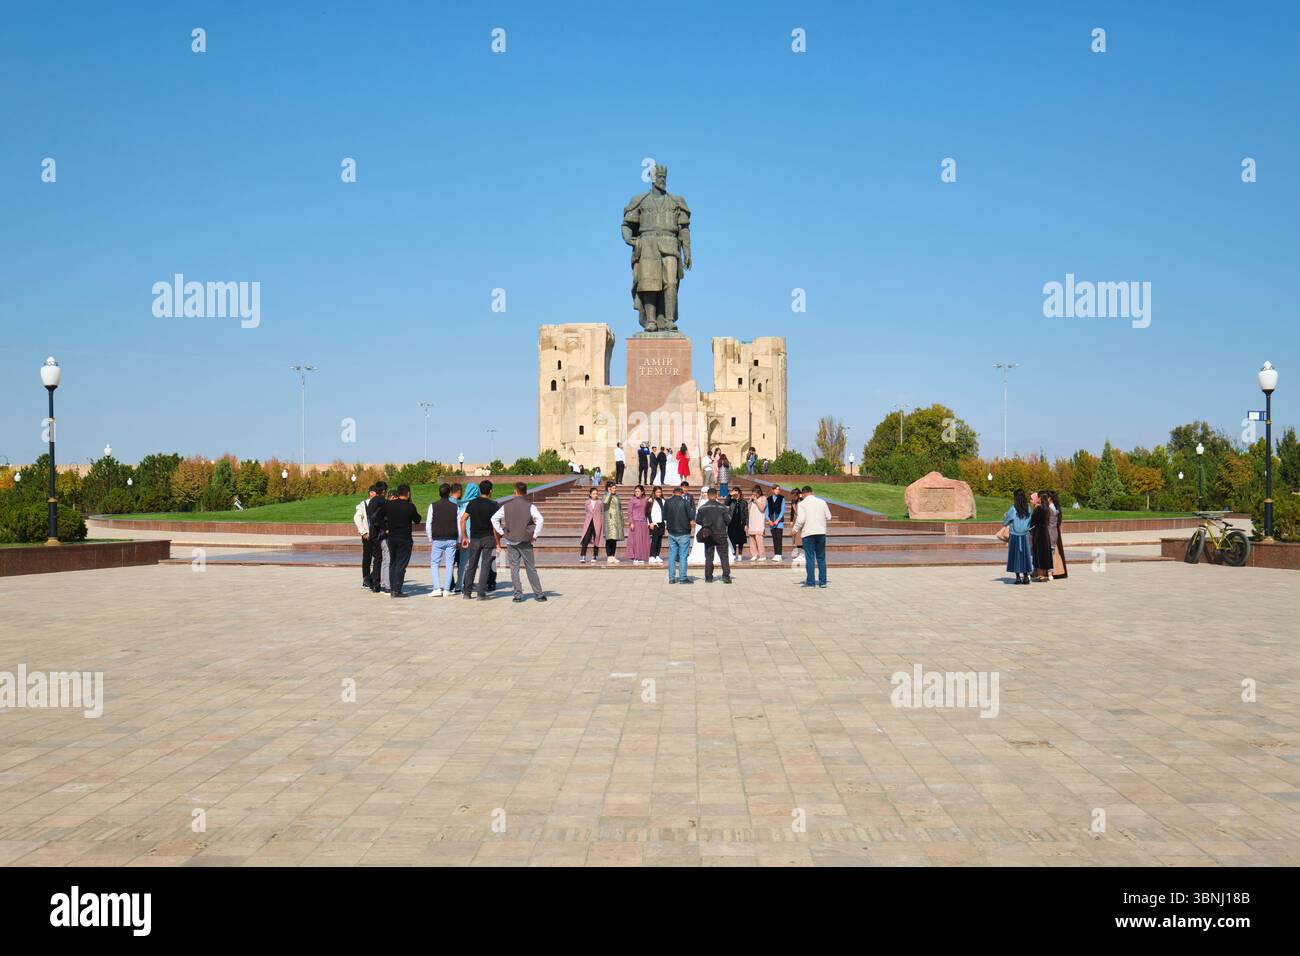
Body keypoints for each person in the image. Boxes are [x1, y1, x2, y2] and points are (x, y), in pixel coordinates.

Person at [491, 481, 548, 602]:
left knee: (514, 568)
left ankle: (518, 595)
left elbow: (494, 519)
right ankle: (539, 594)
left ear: (515, 492)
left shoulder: (506, 506)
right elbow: (540, 520)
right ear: (526, 492)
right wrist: (535, 535)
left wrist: (502, 533)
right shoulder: (530, 506)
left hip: (511, 541)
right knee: (530, 567)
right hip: (525, 540)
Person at [460, 480, 500, 600]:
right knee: (486, 565)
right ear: (490, 491)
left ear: (480, 490)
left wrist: (464, 537)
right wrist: (498, 542)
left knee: (471, 564)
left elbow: (462, 520)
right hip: (488, 538)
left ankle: (467, 592)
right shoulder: (494, 505)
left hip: (474, 538)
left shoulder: (472, 503)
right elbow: (495, 526)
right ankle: (481, 594)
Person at [383, 484, 422, 598]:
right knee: (401, 564)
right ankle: (397, 590)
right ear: (408, 493)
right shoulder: (410, 507)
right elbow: (417, 520)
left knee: (393, 563)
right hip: (404, 539)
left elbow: (377, 517)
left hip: (391, 537)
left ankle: (392, 589)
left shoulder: (388, 505)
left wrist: (385, 528)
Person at [425, 482, 459, 597]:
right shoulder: (455, 507)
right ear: (449, 493)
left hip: (438, 538)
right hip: (451, 538)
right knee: (449, 564)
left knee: (435, 563)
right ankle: (447, 589)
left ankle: (437, 588)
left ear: (439, 493)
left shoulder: (433, 506)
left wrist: (430, 538)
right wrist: (458, 539)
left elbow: (428, 524)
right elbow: (458, 524)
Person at [794, 485, 831, 588]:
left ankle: (811, 583)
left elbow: (801, 520)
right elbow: (829, 516)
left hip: (808, 534)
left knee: (810, 558)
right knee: (821, 558)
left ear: (804, 493)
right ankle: (823, 582)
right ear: (811, 492)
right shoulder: (822, 502)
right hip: (821, 533)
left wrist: (795, 529)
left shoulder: (802, 504)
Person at [696, 487, 733, 584]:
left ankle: (708, 577)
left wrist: (706, 524)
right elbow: (728, 521)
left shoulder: (702, 508)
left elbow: (698, 520)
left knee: (708, 556)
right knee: (724, 556)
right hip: (721, 534)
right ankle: (726, 576)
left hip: (708, 534)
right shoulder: (723, 507)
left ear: (708, 496)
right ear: (716, 495)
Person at [663, 482, 696, 584]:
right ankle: (682, 578)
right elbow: (691, 516)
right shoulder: (685, 502)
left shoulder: (667, 502)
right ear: (682, 493)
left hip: (672, 531)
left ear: (673, 493)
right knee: (683, 556)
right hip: (684, 531)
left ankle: (671, 578)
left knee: (672, 556)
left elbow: (664, 516)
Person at [1003, 489, 1034, 585]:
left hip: (1014, 535)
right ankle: (1025, 577)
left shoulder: (1013, 509)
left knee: (1015, 556)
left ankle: (1017, 578)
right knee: (1025, 556)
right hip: (1024, 535)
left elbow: (1005, 521)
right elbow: (1030, 521)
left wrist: (1005, 516)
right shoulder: (1028, 508)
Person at [453, 481, 478, 593]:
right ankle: (467, 584)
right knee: (471, 563)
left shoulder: (460, 503)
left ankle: (459, 585)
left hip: (462, 536)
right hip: (472, 536)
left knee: (463, 563)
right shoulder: (475, 503)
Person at [365, 481, 389, 593]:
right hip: (380, 532)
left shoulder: (371, 501)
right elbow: (381, 517)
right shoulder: (383, 501)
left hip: (372, 532)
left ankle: (374, 583)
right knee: (382, 558)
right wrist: (385, 528)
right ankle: (377, 582)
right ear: (384, 491)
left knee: (377, 558)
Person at [356, 483, 378, 590]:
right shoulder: (363, 504)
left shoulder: (380, 503)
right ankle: (366, 579)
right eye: (376, 493)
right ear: (371, 493)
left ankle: (373, 577)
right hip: (367, 536)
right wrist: (363, 532)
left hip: (377, 535)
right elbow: (357, 518)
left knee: (379, 558)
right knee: (367, 558)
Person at [1029, 490, 1053, 582]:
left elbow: (1033, 521)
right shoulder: (1047, 508)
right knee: (1044, 553)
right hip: (1045, 533)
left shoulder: (1038, 509)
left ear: (1040, 498)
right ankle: (1044, 574)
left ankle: (1040, 574)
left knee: (1038, 553)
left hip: (1038, 533)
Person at [578, 486, 604, 563]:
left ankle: (595, 555)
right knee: (586, 538)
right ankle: (583, 556)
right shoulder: (587, 502)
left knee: (597, 538)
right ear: (590, 494)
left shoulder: (600, 502)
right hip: (589, 522)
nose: (595, 495)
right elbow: (586, 511)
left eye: (596, 493)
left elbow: (602, 512)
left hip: (597, 522)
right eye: (593, 493)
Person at [626, 485, 650, 564]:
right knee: (636, 540)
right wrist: (631, 522)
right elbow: (630, 512)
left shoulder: (645, 500)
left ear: (642, 492)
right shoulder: (632, 500)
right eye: (635, 491)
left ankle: (642, 557)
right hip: (635, 522)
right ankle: (635, 557)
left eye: (638, 491)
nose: (636, 493)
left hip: (643, 522)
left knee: (643, 540)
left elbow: (647, 512)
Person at [1048, 491, 1069, 580]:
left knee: (1052, 553)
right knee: (1055, 552)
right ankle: (1057, 571)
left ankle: (1052, 572)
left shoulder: (1050, 508)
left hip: (1050, 533)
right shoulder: (1056, 508)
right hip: (1055, 532)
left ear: (1049, 498)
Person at [602, 479, 625, 564]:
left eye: (615, 488)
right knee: (609, 539)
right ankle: (609, 556)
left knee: (614, 539)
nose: (615, 489)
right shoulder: (605, 495)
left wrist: (622, 519)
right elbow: (605, 502)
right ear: (609, 488)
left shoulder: (617, 496)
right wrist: (609, 493)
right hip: (610, 520)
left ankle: (613, 556)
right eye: (613, 488)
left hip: (617, 520)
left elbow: (620, 509)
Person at [766, 484, 786, 562]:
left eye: (779, 489)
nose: (778, 490)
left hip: (779, 522)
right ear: (772, 490)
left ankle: (779, 555)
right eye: (776, 489)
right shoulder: (769, 499)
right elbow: (766, 511)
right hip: (771, 521)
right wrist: (769, 520)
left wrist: (778, 520)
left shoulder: (782, 498)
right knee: (774, 538)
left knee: (779, 538)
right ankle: (776, 554)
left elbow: (783, 510)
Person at [746, 487, 767, 561]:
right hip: (752, 521)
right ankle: (754, 555)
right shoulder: (752, 500)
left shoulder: (763, 498)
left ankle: (762, 556)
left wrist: (756, 501)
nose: (754, 495)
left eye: (755, 494)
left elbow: (762, 508)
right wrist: (750, 501)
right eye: (753, 494)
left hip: (759, 522)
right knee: (752, 539)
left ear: (759, 493)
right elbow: (748, 510)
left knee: (759, 539)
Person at [727, 487, 747, 561]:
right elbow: (726, 503)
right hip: (732, 523)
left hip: (741, 523)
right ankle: (734, 554)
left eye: (737, 492)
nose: (736, 494)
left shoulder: (744, 502)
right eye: (734, 492)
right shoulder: (731, 501)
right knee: (732, 539)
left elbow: (746, 514)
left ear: (740, 493)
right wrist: (730, 495)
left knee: (741, 540)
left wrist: (746, 524)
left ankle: (740, 555)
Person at [648, 485, 666, 565]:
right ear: (654, 492)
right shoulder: (651, 500)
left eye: (660, 492)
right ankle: (652, 556)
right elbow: (648, 513)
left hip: (661, 523)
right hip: (654, 523)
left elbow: (665, 512)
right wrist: (650, 522)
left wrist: (666, 522)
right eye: (657, 492)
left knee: (659, 539)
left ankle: (657, 555)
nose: (658, 493)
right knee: (655, 540)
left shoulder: (663, 500)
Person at [788, 488, 803, 566]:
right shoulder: (793, 501)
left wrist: (801, 497)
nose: (793, 497)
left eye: (794, 496)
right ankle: (800, 554)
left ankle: (802, 555)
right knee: (796, 538)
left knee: (800, 538)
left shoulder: (802, 501)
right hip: (795, 520)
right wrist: (791, 521)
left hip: (802, 521)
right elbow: (792, 511)